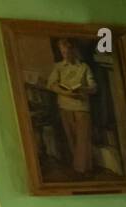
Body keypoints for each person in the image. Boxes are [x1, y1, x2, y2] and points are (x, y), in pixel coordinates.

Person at [46, 38, 96, 177]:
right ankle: (78, 168)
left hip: (81, 106)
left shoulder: (84, 67)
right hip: (65, 106)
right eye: (63, 52)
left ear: (73, 51)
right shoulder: (58, 67)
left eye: (68, 51)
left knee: (83, 139)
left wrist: (83, 89)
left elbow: (93, 87)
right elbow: (51, 84)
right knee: (71, 138)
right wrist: (64, 92)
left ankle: (82, 170)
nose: (66, 54)